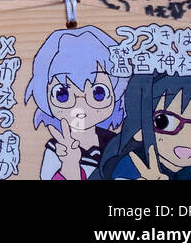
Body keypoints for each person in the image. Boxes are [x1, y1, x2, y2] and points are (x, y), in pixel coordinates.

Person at [24, 27, 128, 180]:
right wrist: (69, 166)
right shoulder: (56, 150)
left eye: (98, 93)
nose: (81, 106)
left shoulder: (116, 144)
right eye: (62, 95)